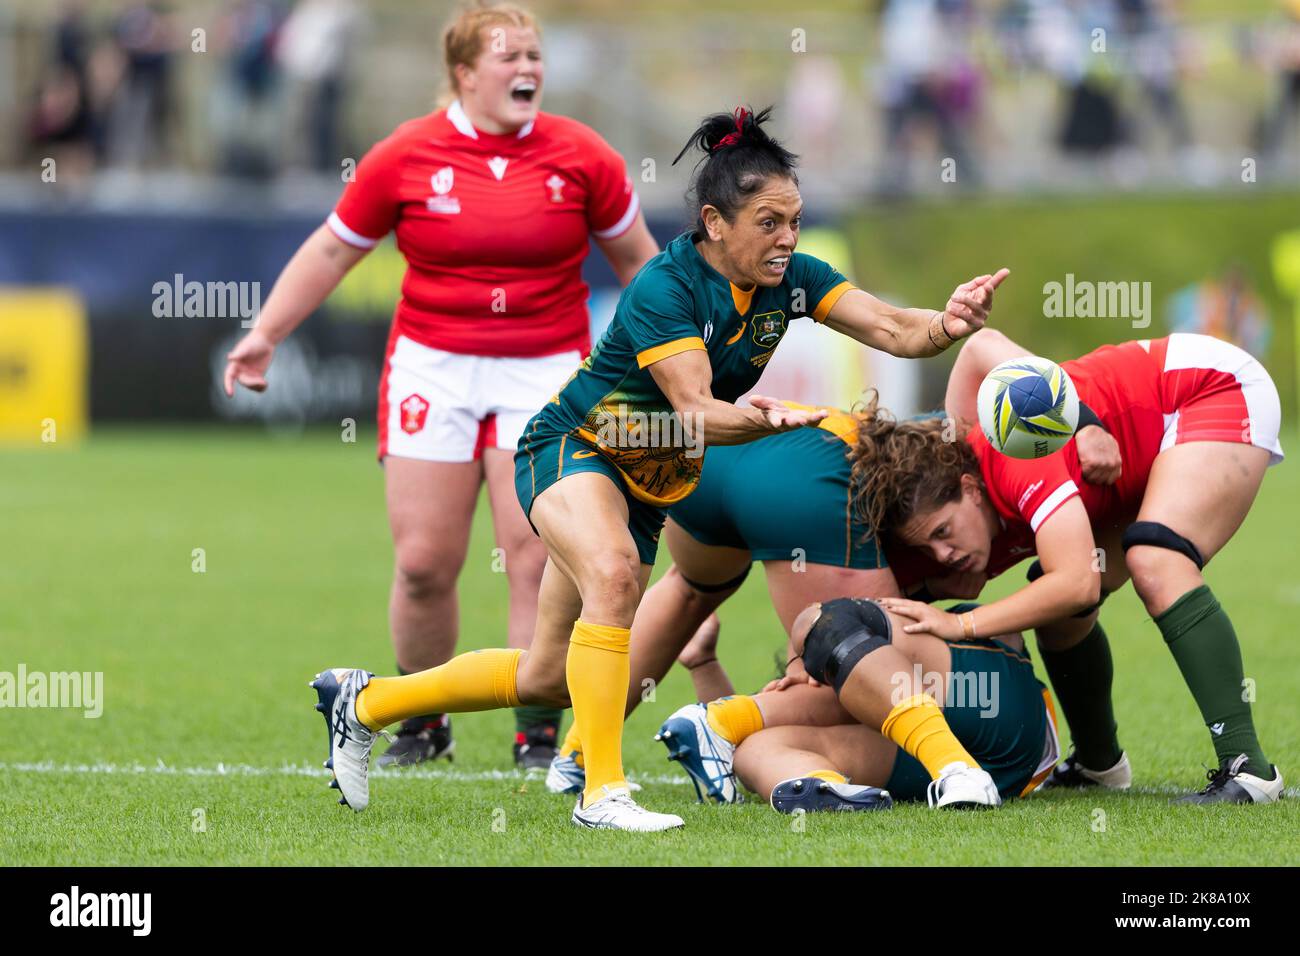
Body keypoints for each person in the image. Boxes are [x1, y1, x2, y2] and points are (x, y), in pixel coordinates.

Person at [311, 104, 1010, 830]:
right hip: (575, 445)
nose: (788, 239)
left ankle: (363, 703)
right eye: (769, 222)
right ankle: (602, 795)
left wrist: (947, 325)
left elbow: (895, 327)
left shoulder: (793, 279)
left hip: (651, 477)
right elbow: (697, 411)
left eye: (795, 221)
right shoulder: (665, 288)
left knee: (548, 676)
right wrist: (772, 419)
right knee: (615, 575)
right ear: (714, 223)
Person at [226, 3, 659, 769]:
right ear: (464, 73)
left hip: (546, 369)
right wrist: (265, 334)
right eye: (508, 57)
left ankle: (537, 729)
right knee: (425, 564)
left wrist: (667, 363)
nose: (527, 68)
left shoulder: (582, 154)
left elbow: (639, 265)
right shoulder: (406, 154)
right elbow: (332, 251)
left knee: (533, 556)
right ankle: (422, 723)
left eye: (534, 54)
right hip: (434, 365)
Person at [541, 394, 1120, 801]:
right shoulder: (974, 466)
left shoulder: (916, 452)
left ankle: (581, 752)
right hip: (802, 476)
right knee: (845, 651)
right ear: (964, 485)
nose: (947, 556)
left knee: (696, 593)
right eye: (938, 538)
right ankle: (725, 721)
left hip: (706, 469)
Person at [869, 330, 1286, 804]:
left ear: (969, 487)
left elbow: (1078, 585)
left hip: (1207, 386)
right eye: (929, 545)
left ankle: (1249, 769)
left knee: (1155, 561)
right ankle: (1098, 763)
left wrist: (960, 623)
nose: (942, 555)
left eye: (944, 532)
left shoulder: (1012, 454)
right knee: (1055, 608)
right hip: (1146, 447)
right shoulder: (954, 500)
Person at [734, 598, 1059, 812]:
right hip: (1006, 749)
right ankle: (829, 789)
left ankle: (723, 718)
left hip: (994, 721)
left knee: (825, 625)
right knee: (749, 752)